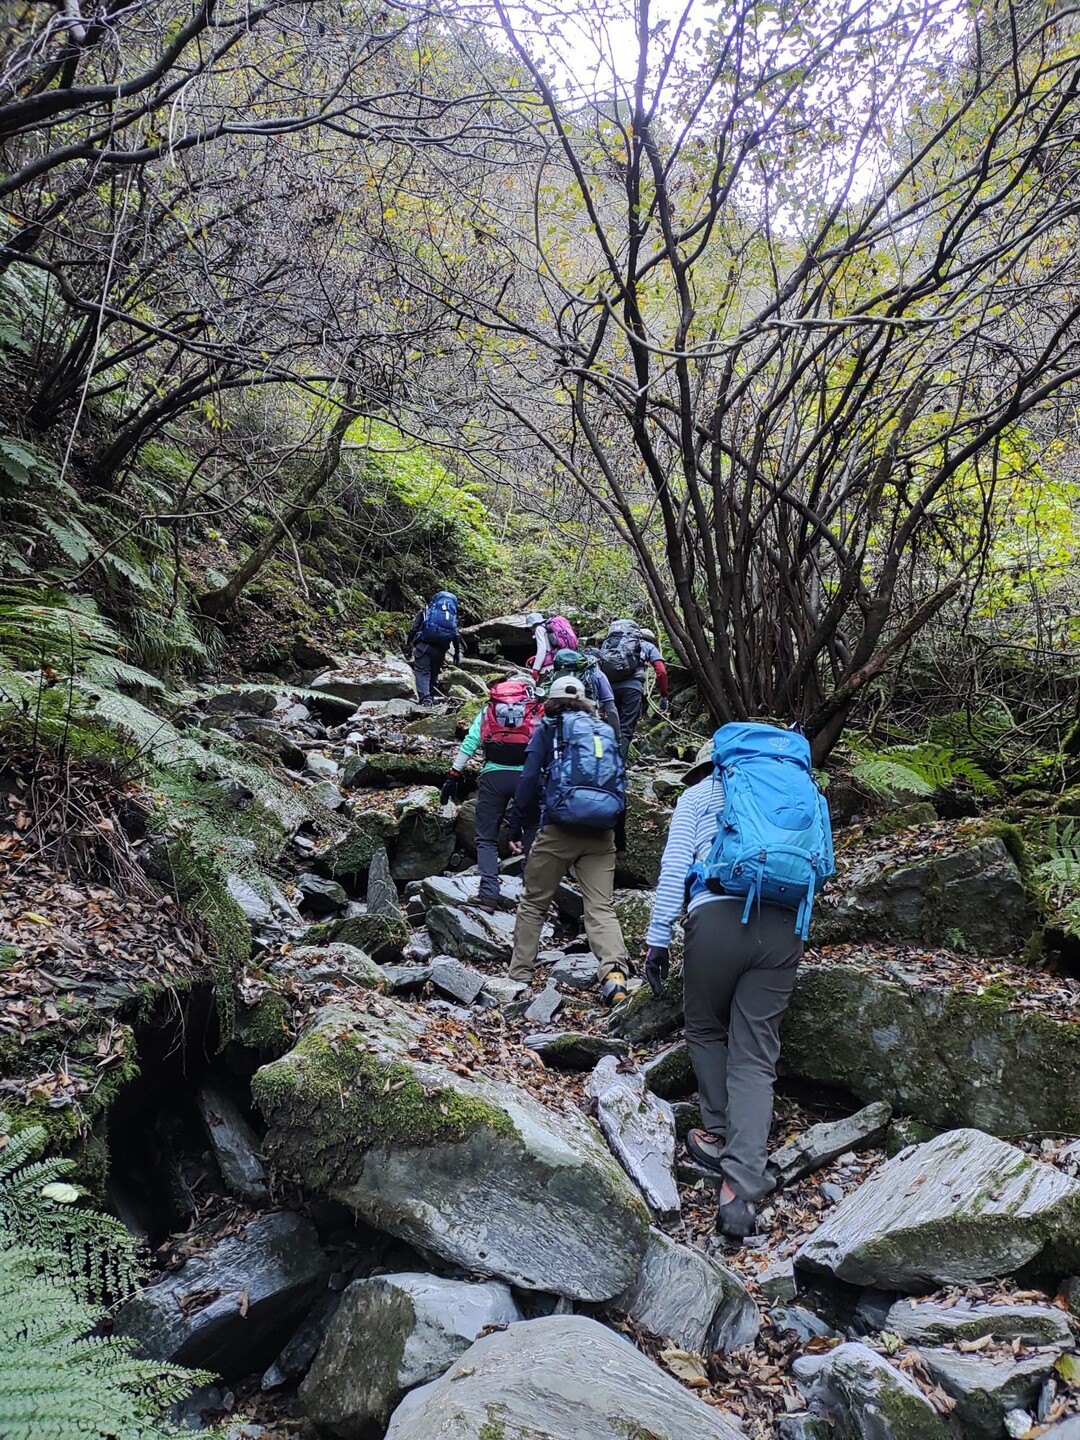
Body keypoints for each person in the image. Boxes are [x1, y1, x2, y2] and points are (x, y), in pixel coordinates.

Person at [644, 729, 829, 1241]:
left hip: (717, 915)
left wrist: (657, 940)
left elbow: (675, 868)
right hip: (784, 924)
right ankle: (740, 1189)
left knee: (704, 1027)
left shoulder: (700, 795)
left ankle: (717, 1130)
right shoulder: (804, 792)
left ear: (713, 761)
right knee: (757, 1053)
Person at [506, 675, 630, 1006]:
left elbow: (530, 777)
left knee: (534, 902)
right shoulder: (603, 731)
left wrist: (515, 824)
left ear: (551, 701)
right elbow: (620, 783)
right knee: (600, 907)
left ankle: (519, 976)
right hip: (602, 831)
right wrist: (619, 837)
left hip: (559, 829)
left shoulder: (549, 728)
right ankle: (615, 975)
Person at [439, 677, 542, 912]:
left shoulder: (490, 708)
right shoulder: (535, 707)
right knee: (533, 829)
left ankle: (488, 895)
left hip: (494, 775)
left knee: (486, 837)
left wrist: (453, 774)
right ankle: (532, 896)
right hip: (528, 776)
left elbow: (471, 741)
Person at [597, 620, 669, 758]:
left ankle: (601, 764)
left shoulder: (610, 645)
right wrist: (664, 696)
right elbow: (661, 671)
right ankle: (618, 769)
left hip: (608, 690)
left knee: (608, 727)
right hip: (631, 690)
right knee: (625, 729)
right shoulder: (647, 646)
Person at [548, 648, 621, 742]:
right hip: (588, 725)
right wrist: (616, 736)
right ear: (598, 661)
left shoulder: (557, 673)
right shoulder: (597, 674)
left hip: (557, 722)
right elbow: (610, 708)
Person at [405, 590, 461, 704]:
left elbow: (414, 629)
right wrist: (456, 652)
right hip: (440, 649)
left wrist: (408, 645)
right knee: (434, 672)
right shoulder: (451, 616)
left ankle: (425, 698)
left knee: (422, 671)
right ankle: (430, 695)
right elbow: (456, 635)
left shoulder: (427, 611)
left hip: (424, 646)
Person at [525, 611, 578, 685]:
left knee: (541, 689)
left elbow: (542, 649)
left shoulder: (539, 629)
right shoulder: (548, 627)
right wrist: (536, 657)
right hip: (559, 662)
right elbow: (550, 647)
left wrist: (535, 669)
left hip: (549, 666)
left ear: (532, 625)